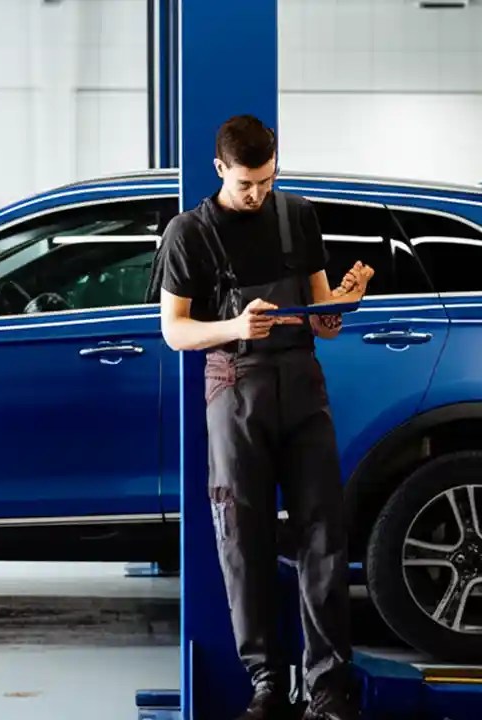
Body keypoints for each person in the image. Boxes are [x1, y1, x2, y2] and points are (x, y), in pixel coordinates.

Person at [151, 115, 374, 720]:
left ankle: (328, 688)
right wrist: (233, 327)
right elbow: (174, 330)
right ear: (221, 169)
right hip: (235, 384)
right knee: (241, 539)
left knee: (324, 535)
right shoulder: (188, 233)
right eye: (248, 183)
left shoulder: (297, 215)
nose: (259, 194)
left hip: (302, 384)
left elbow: (321, 320)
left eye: (269, 180)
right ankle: (268, 684)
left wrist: (339, 306)